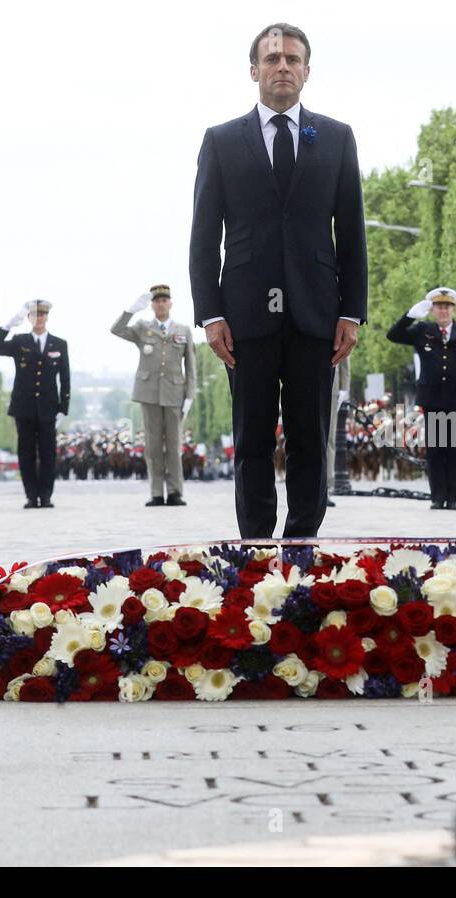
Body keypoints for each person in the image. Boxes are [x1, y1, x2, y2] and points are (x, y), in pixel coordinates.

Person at [189, 21, 367, 539]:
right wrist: (211, 313)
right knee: (251, 439)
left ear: (307, 72)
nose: (282, 66)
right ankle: (255, 549)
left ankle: (303, 543)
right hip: (244, 315)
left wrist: (351, 311)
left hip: (316, 312)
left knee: (311, 437)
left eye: (292, 59)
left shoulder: (336, 138)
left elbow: (352, 233)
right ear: (254, 71)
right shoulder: (221, 141)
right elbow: (203, 234)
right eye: (272, 59)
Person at [387, 287, 456, 509]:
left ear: (453, 309)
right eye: (439, 307)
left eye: (447, 307)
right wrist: (410, 315)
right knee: (434, 449)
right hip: (432, 398)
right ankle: (437, 496)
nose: (444, 311)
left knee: (453, 449)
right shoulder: (423, 330)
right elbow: (392, 335)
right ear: (432, 310)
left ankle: (453, 498)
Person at [111, 285, 197, 506]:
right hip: (148, 393)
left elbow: (191, 365)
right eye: (157, 300)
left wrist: (190, 395)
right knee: (153, 446)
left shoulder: (183, 330)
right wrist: (130, 311)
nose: (161, 304)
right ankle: (157, 492)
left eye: (164, 300)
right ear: (152, 305)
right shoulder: (142, 328)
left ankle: (176, 491)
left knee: (174, 445)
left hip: (174, 393)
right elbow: (116, 330)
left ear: (170, 303)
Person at [0, 300, 70, 508]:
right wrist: (8, 325)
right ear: (29, 318)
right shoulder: (19, 341)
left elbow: (65, 378)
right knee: (26, 452)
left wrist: (63, 408)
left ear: (47, 317)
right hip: (23, 406)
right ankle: (31, 496)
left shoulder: (59, 344)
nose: (39, 318)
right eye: (34, 315)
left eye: (42, 314)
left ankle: (46, 495)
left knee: (48, 453)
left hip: (48, 407)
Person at [325, 355, 350, 506]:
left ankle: (325, 488)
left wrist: (344, 388)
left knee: (329, 440)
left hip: (331, 385)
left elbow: (346, 353)